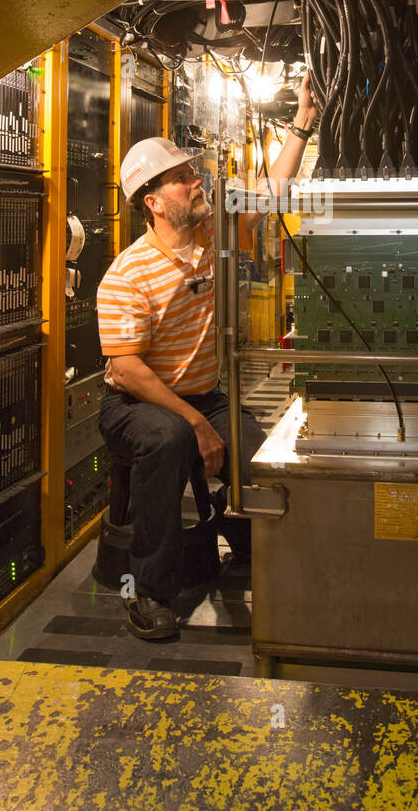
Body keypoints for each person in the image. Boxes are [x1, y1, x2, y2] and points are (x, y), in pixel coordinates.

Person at [96, 72, 318, 639]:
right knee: (169, 441)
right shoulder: (128, 273)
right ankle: (149, 591)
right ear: (152, 203)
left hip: (202, 395)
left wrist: (302, 124)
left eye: (193, 173)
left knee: (262, 457)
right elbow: (126, 368)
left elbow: (269, 196)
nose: (196, 183)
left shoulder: (214, 243)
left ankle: (248, 543)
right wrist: (195, 423)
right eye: (180, 179)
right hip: (135, 405)